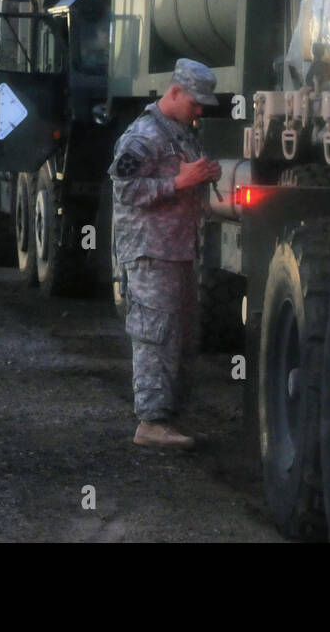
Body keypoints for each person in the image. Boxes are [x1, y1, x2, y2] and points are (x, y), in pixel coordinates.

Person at [109, 58, 222, 449]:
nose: (199, 110)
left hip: (176, 251)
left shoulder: (178, 132)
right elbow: (125, 189)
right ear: (174, 92)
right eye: (195, 103)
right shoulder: (143, 136)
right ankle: (151, 423)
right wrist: (179, 182)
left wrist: (203, 176)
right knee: (154, 336)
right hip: (150, 252)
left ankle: (169, 418)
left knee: (179, 336)